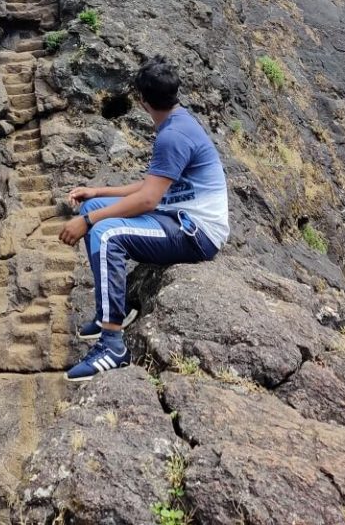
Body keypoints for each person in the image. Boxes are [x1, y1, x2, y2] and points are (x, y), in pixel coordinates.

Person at [59, 55, 229, 382]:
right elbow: (154, 185)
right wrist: (96, 193)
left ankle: (112, 347)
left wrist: (91, 222)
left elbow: (149, 198)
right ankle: (111, 313)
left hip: (197, 233)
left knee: (106, 232)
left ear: (141, 100)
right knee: (91, 210)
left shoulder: (173, 136)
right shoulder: (178, 122)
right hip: (177, 217)